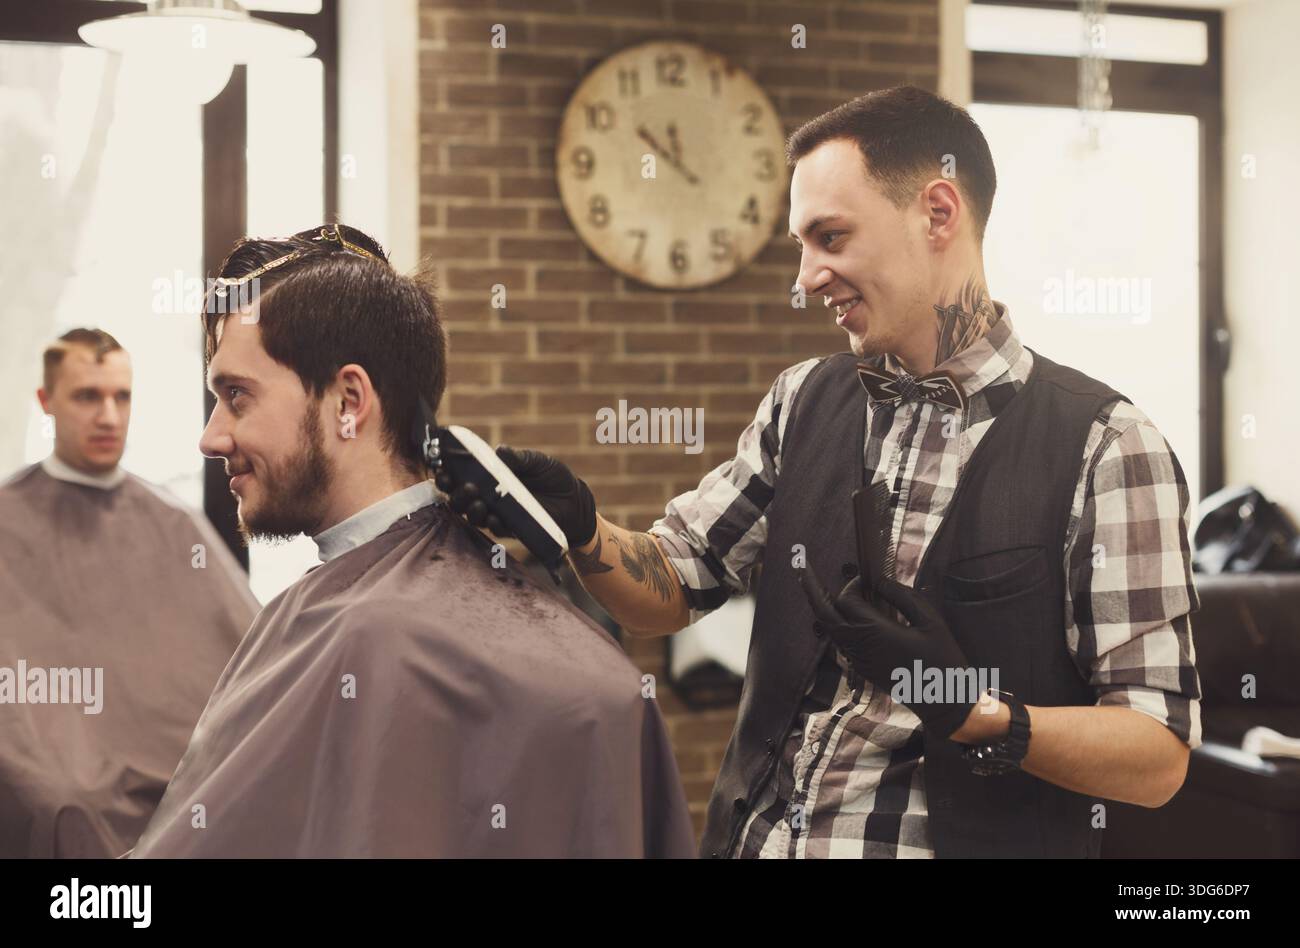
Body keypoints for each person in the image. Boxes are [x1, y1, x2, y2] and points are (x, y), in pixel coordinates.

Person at [439, 87, 1203, 858]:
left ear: (939, 213)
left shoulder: (1108, 447)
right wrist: (576, 524)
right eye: (802, 247)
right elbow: (675, 583)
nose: (806, 278)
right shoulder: (802, 400)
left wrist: (968, 708)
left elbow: (1157, 753)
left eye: (830, 237)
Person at [130, 224, 694, 858]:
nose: (211, 437)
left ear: (349, 400)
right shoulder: (590, 666)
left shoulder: (365, 635)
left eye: (236, 396)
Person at [0, 328, 255, 858]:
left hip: (181, 759)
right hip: (61, 776)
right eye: (88, 396)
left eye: (122, 396)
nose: (109, 416)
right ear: (46, 402)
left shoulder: (174, 523)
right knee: (62, 804)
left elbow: (254, 655)